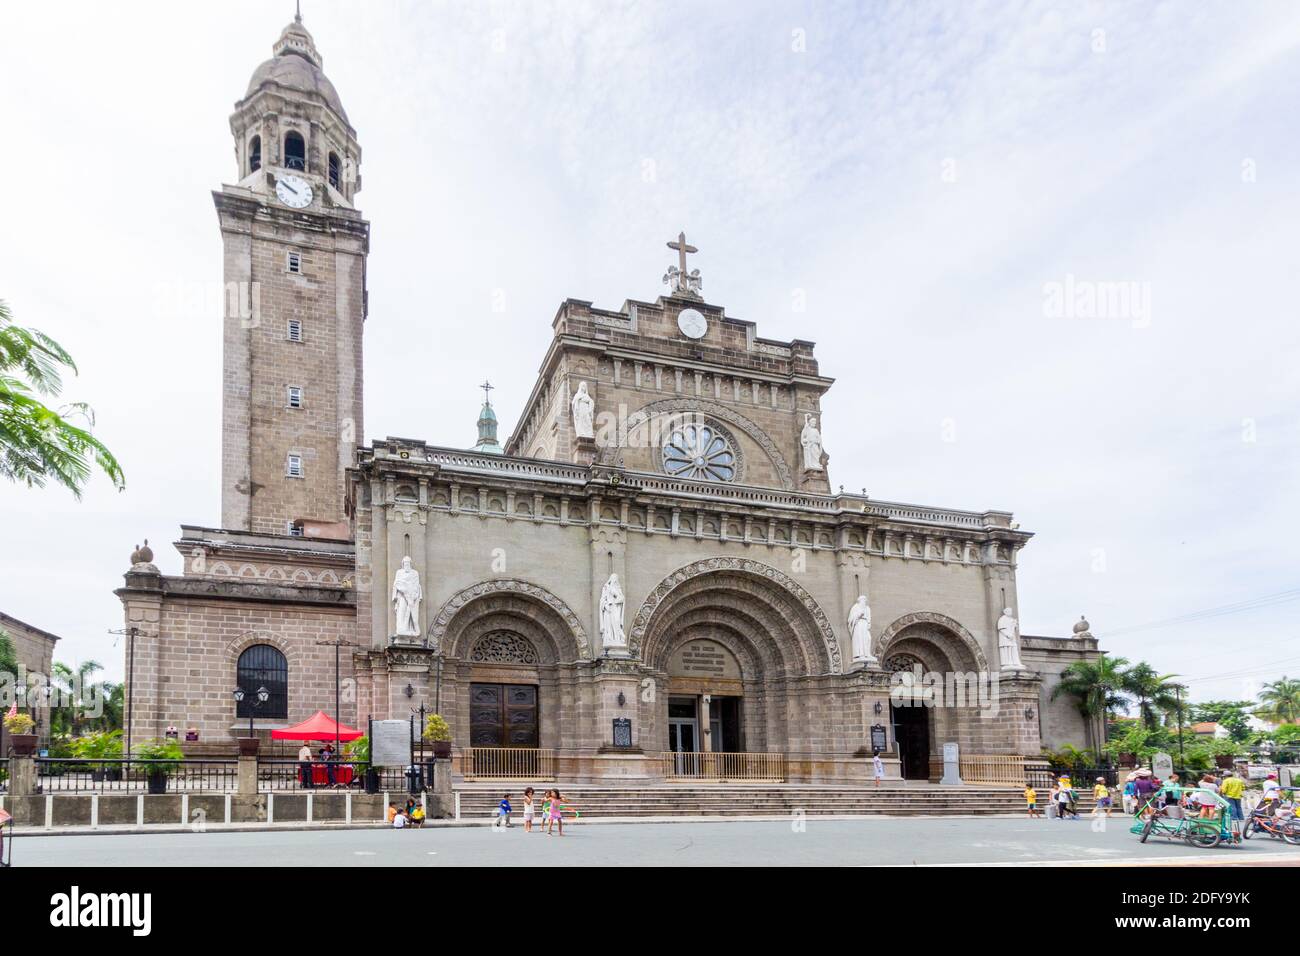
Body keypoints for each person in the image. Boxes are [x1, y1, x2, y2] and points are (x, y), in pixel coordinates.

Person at [1220, 769, 1245, 843]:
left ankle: (1234, 817)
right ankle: (1240, 817)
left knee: (1232, 807)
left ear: (1226, 776)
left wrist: (1223, 793)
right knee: (1238, 807)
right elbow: (1243, 788)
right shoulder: (1239, 780)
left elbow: (1224, 790)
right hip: (1238, 796)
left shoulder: (1226, 781)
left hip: (1229, 796)